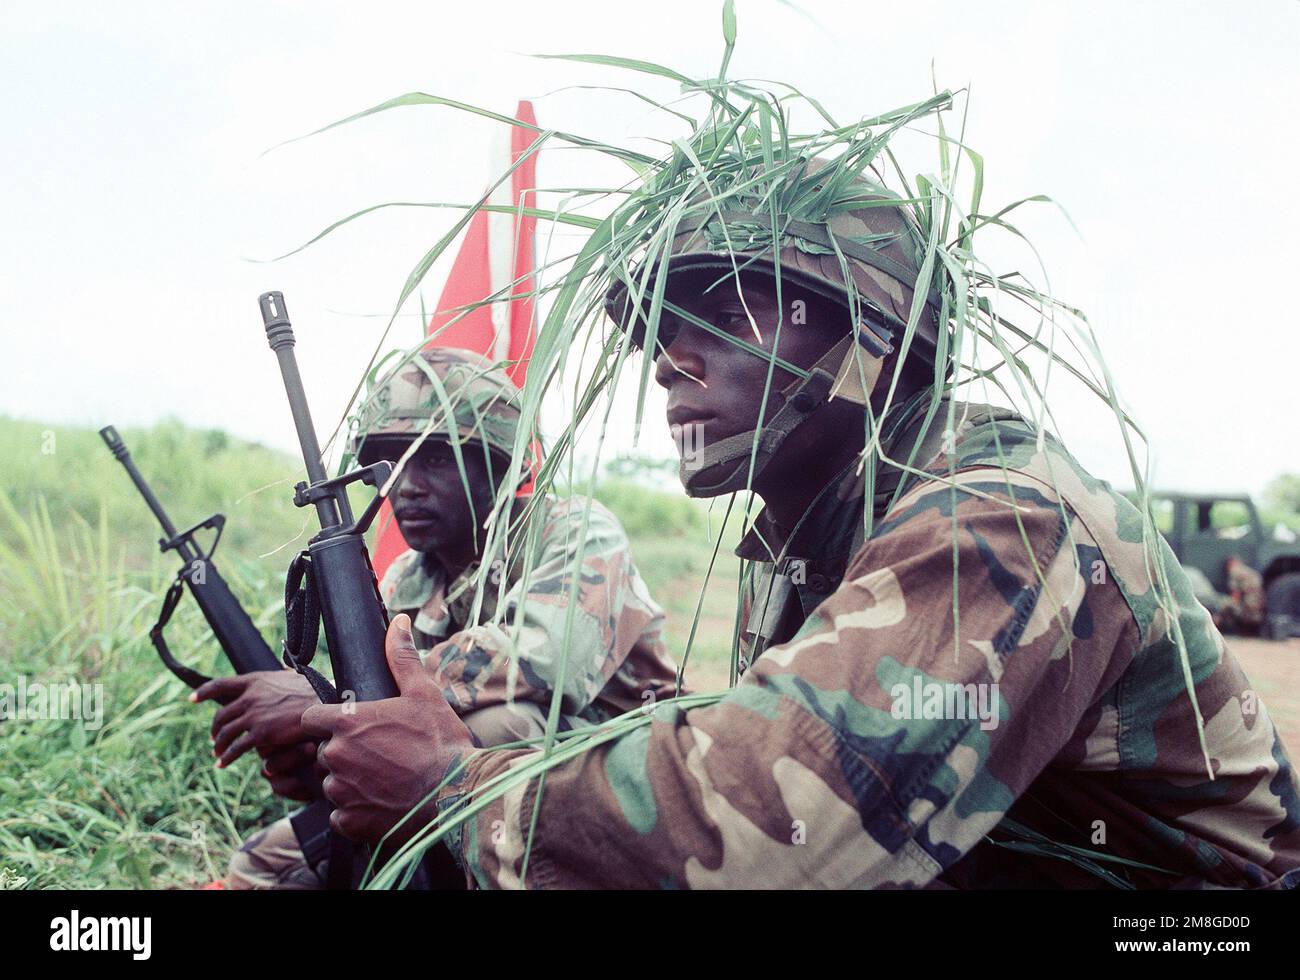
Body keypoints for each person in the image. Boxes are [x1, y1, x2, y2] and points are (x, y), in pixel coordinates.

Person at [299, 157, 1300, 890]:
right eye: (658, 330)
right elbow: (757, 749)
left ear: (869, 338)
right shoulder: (806, 534)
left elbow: (773, 838)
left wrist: (453, 786)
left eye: (722, 309)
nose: (665, 361)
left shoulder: (994, 518)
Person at [195, 347, 679, 888]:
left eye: (437, 459)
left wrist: (327, 701)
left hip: (625, 792)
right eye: (392, 465)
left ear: (500, 465)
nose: (408, 486)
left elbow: (548, 664)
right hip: (469, 797)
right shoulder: (409, 577)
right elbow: (387, 723)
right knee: (264, 862)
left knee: (499, 723)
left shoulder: (573, 530)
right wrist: (333, 748)